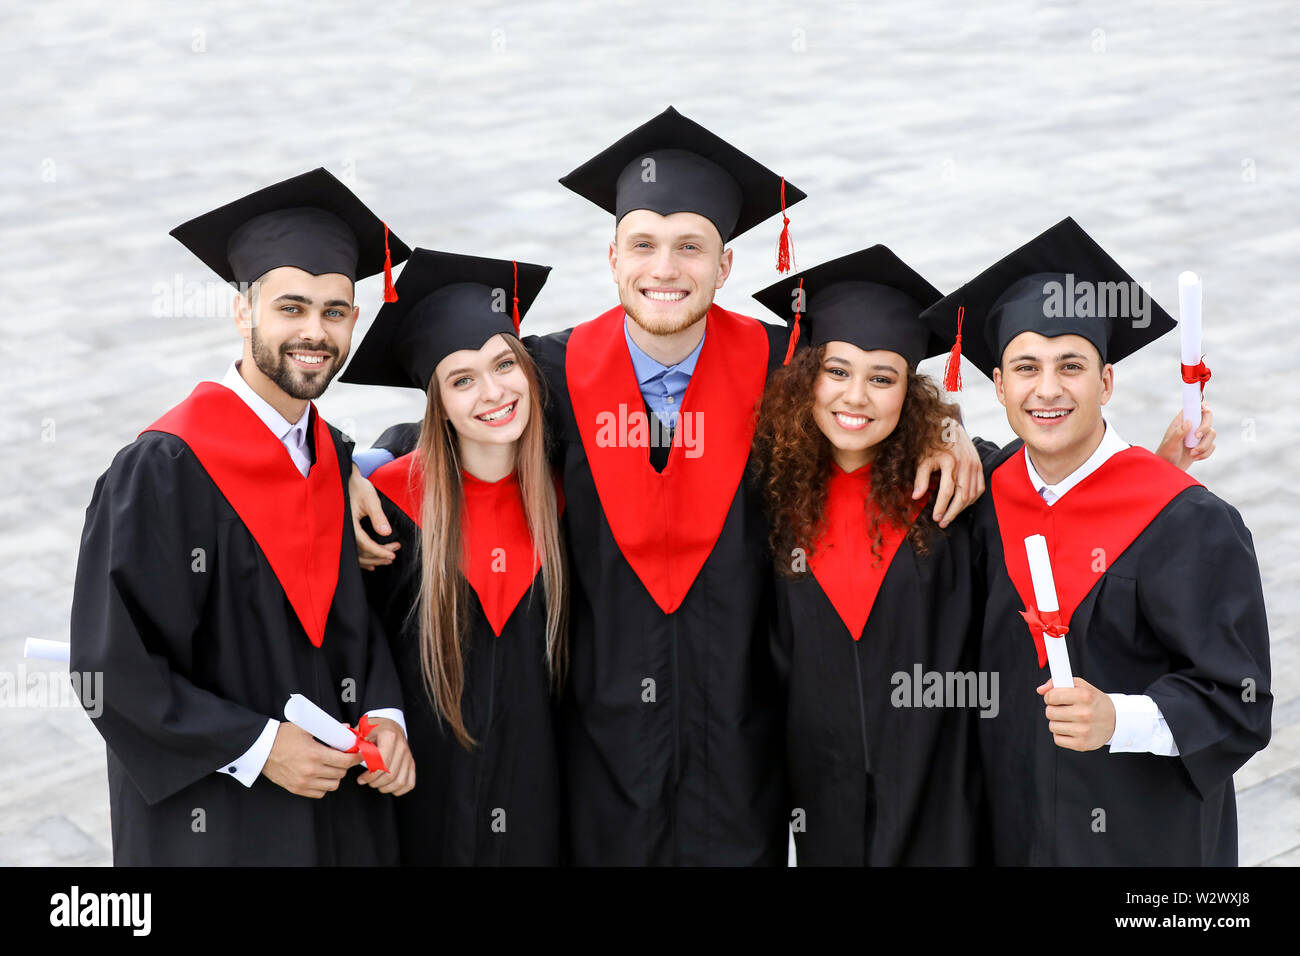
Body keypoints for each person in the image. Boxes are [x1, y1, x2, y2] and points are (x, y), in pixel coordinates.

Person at [352, 107, 986, 864]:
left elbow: (875, 402)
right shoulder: (551, 375)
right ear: (612, 257)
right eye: (644, 245)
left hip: (744, 755)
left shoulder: (786, 368)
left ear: (724, 267)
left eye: (691, 247)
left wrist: (951, 434)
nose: (665, 269)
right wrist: (348, 467)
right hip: (600, 754)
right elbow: (460, 418)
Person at [69, 168, 416, 865]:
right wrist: (257, 747)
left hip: (341, 811)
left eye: (336, 310)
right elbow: (108, 667)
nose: (315, 332)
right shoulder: (163, 471)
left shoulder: (327, 458)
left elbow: (354, 622)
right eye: (291, 308)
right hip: (219, 821)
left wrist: (385, 713)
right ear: (243, 310)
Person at [921, 216, 1271, 865]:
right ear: (998, 385)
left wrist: (1121, 718)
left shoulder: (1188, 522)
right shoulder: (982, 492)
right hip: (1007, 830)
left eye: (1071, 366)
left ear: (1106, 382)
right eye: (1026, 367)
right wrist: (941, 428)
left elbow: (1240, 706)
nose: (1047, 389)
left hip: (1141, 847)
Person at [750, 246, 986, 865]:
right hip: (820, 801)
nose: (856, 397)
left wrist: (953, 430)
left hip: (942, 798)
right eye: (837, 371)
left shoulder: (956, 490)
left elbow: (1062, 485)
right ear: (807, 376)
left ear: (910, 393)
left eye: (882, 377)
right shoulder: (766, 491)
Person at [338, 248, 565, 864]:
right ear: (435, 400)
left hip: (546, 805)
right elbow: (351, 644)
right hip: (421, 804)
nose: (493, 393)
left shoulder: (572, 498)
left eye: (504, 365)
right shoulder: (387, 507)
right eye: (462, 379)